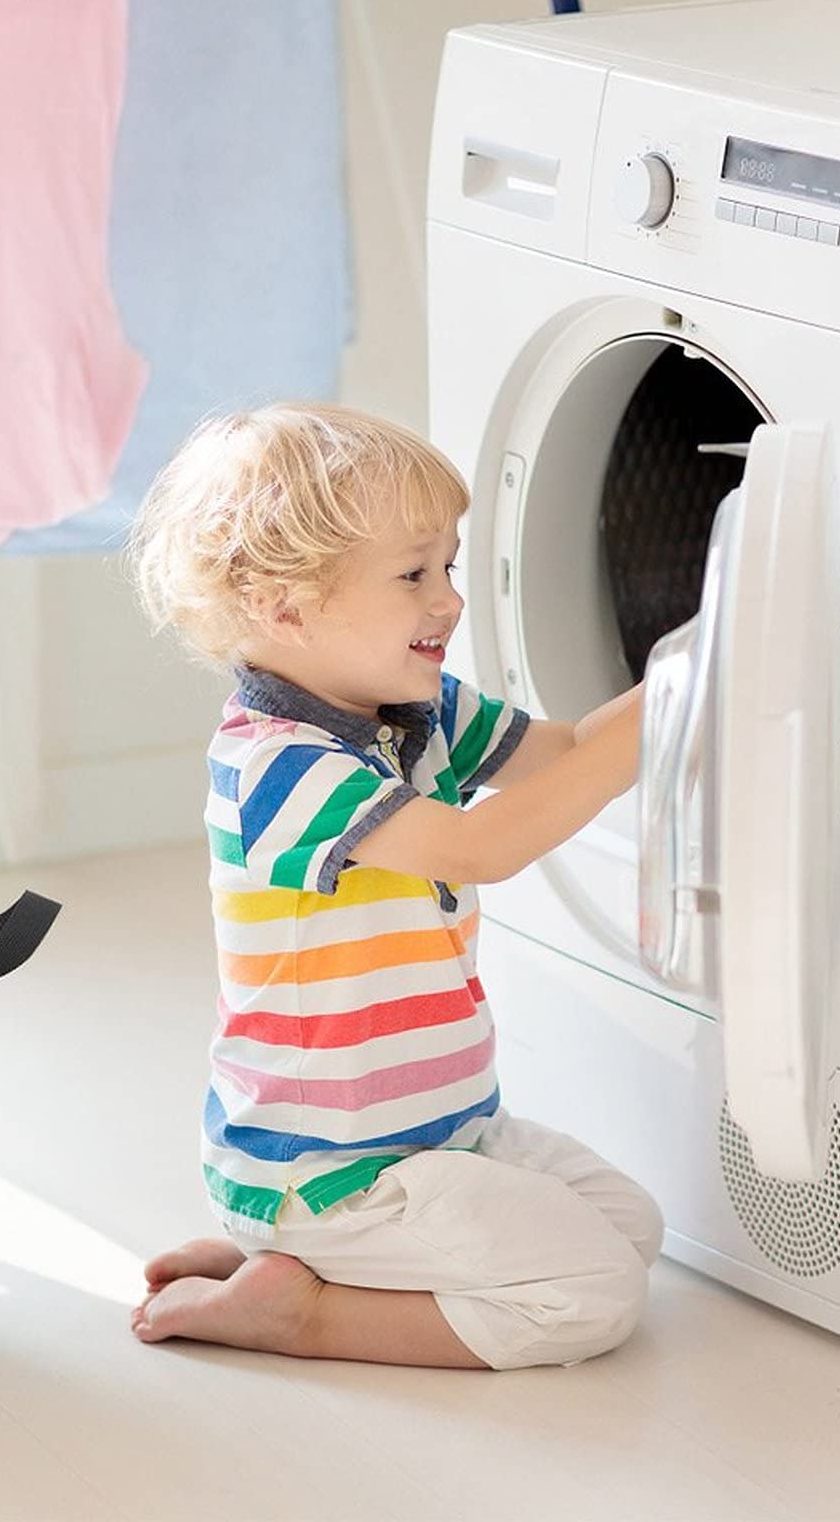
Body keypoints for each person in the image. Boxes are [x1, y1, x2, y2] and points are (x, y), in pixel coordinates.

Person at [125, 402, 663, 1370]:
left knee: (635, 1229)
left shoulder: (415, 711)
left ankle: (293, 1261)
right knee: (596, 1292)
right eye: (414, 574)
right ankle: (302, 1308)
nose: (449, 600)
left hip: (444, 1131)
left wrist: (680, 678)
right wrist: (654, 725)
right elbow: (474, 847)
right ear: (284, 608)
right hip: (331, 1167)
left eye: (446, 567)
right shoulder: (276, 767)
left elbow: (566, 751)